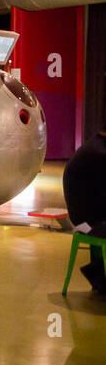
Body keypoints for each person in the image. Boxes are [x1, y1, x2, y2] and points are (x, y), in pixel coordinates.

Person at [63, 119, 106, 294]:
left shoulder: (95, 146)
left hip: (84, 216)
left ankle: (98, 274)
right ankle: (97, 274)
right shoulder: (100, 154)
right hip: (87, 223)